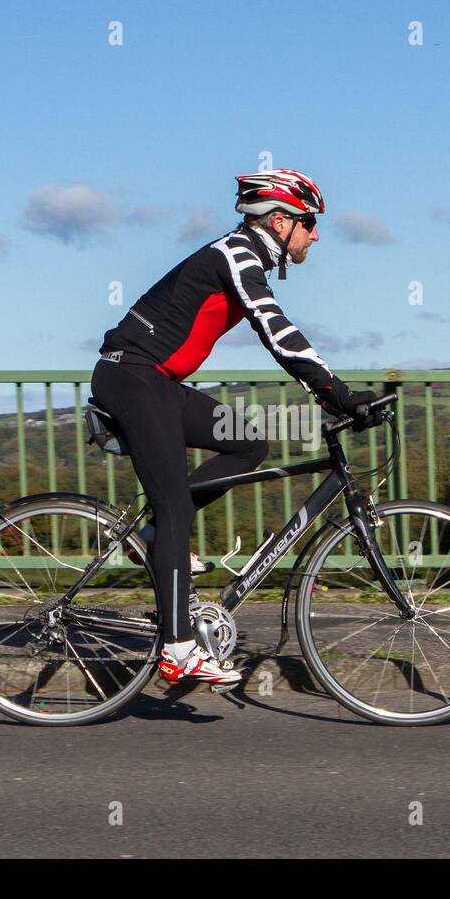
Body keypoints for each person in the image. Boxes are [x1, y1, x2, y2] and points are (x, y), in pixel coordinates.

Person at [91, 169, 376, 685]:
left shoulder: (248, 255)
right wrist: (337, 393)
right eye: (310, 222)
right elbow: (277, 331)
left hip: (154, 379)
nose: (315, 234)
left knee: (247, 441)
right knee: (176, 501)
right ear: (282, 220)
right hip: (134, 377)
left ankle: (154, 535)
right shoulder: (238, 254)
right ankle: (178, 649)